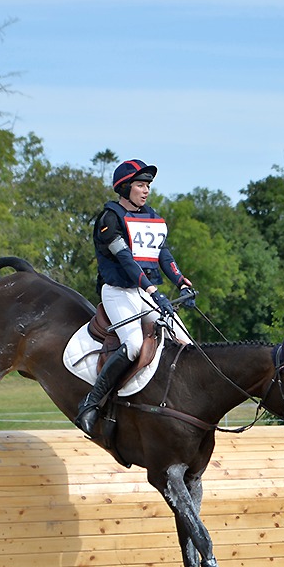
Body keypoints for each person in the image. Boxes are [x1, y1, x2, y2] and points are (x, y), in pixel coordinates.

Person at [74, 158, 196, 435]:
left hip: (144, 291)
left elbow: (163, 254)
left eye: (148, 185)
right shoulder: (109, 219)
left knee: (185, 340)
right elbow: (126, 260)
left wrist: (181, 282)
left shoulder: (150, 216)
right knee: (133, 344)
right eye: (141, 185)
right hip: (118, 291)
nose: (146, 190)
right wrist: (154, 291)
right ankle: (92, 403)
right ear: (126, 187)